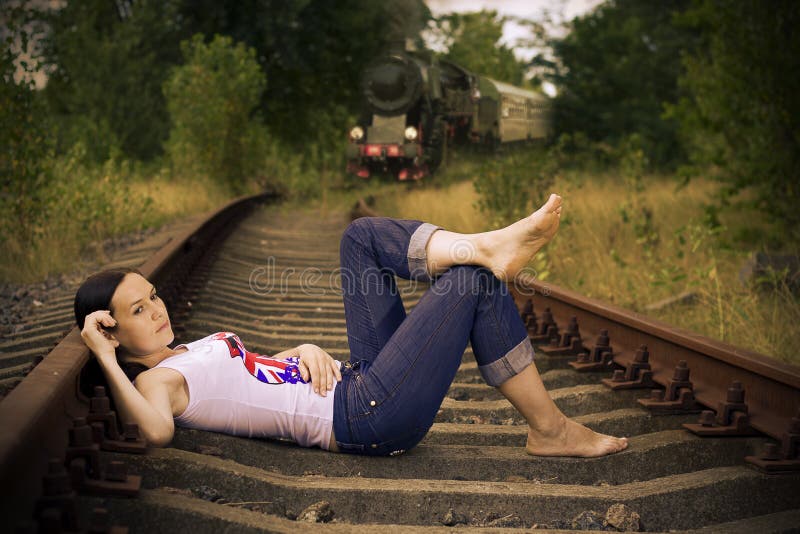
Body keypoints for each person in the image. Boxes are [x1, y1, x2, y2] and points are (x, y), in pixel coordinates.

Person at [75, 193, 628, 457]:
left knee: (359, 237)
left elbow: (252, 381)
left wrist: (302, 349)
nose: (158, 310)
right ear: (111, 332)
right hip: (366, 415)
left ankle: (483, 245)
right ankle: (551, 430)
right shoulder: (156, 382)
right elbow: (157, 432)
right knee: (471, 282)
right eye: (139, 310)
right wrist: (103, 357)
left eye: (153, 297)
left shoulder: (184, 353)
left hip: (358, 381)